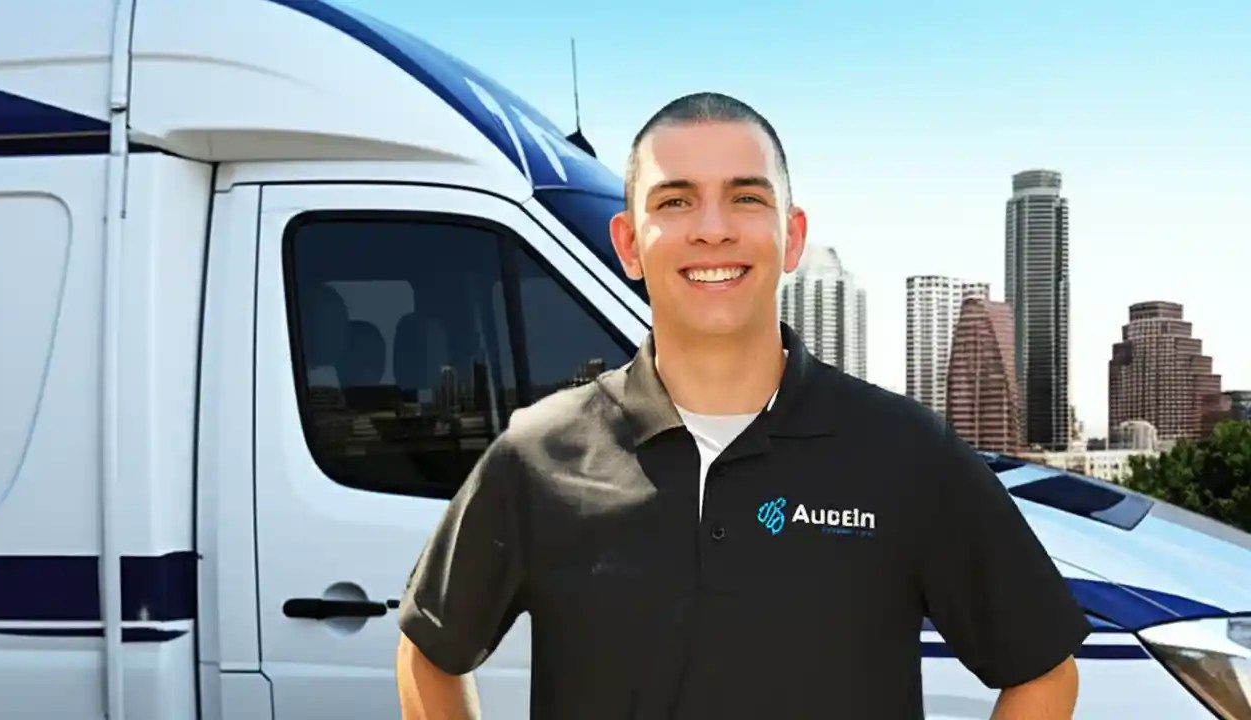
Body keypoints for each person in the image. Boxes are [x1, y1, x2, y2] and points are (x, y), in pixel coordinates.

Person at [394, 91, 1090, 719]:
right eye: (675, 201)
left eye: (746, 198)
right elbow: (428, 652)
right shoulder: (537, 454)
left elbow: (1042, 672)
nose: (713, 229)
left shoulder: (906, 452)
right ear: (629, 245)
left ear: (790, 237)